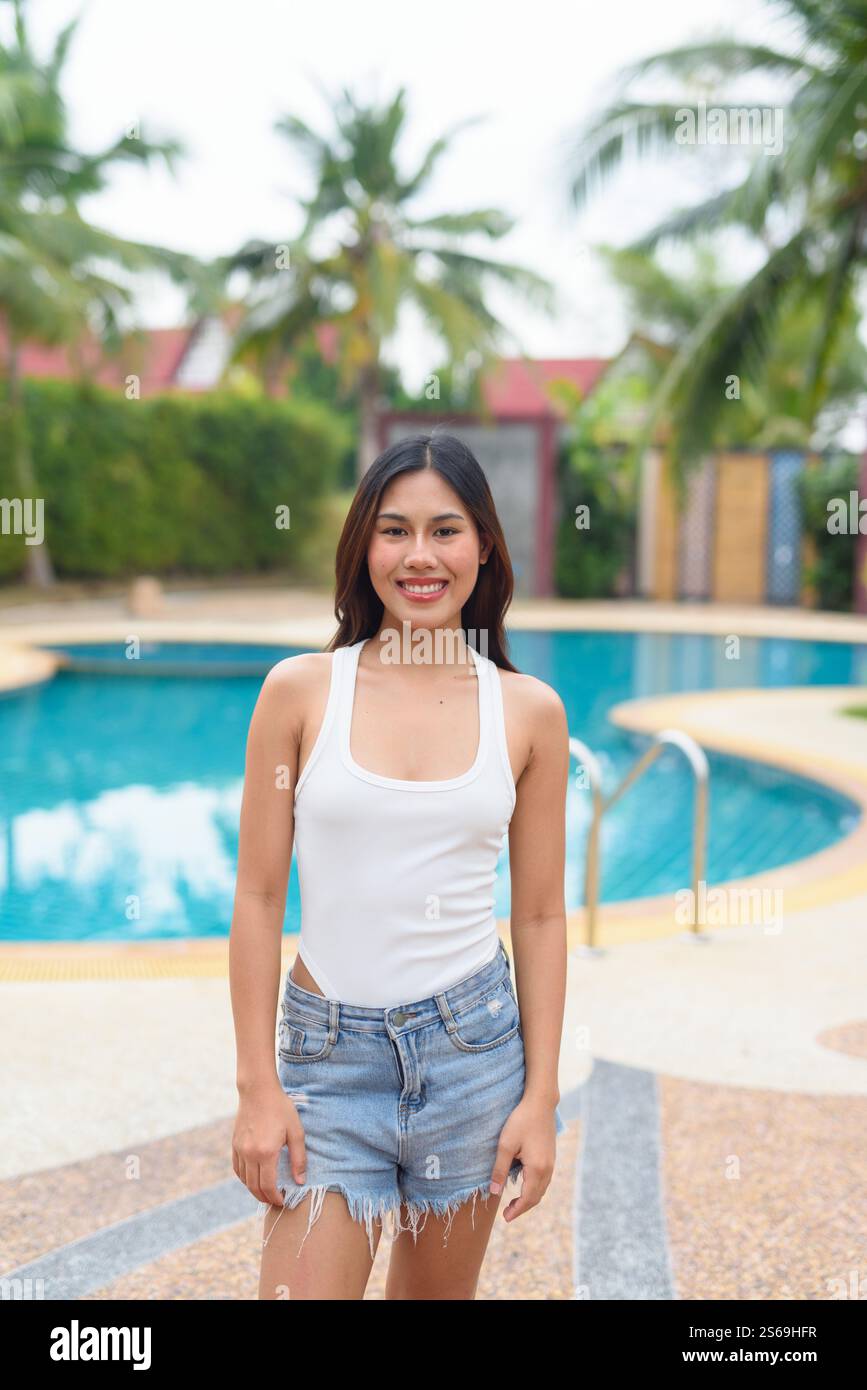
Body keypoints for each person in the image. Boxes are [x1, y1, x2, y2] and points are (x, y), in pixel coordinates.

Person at [231, 431, 569, 1300]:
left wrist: (540, 1098)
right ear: (363, 548)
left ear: (483, 547)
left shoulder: (528, 712)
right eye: (393, 531)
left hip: (473, 1059)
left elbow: (537, 915)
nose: (420, 556)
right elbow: (260, 894)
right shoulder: (301, 692)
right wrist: (257, 1086)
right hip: (328, 1062)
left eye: (445, 530)